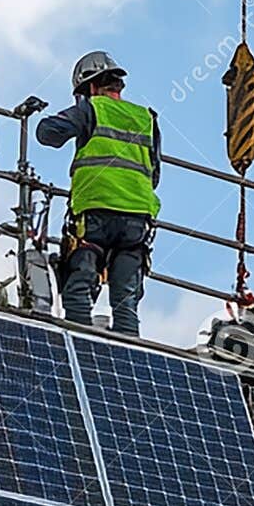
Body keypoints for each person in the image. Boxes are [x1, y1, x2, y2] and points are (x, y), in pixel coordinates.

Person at [35, 51, 160, 336]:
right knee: (126, 301)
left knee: (79, 287)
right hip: (137, 220)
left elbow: (48, 133)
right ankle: (128, 357)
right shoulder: (146, 118)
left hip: (95, 215)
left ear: (90, 88)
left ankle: (80, 350)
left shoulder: (91, 109)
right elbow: (155, 172)